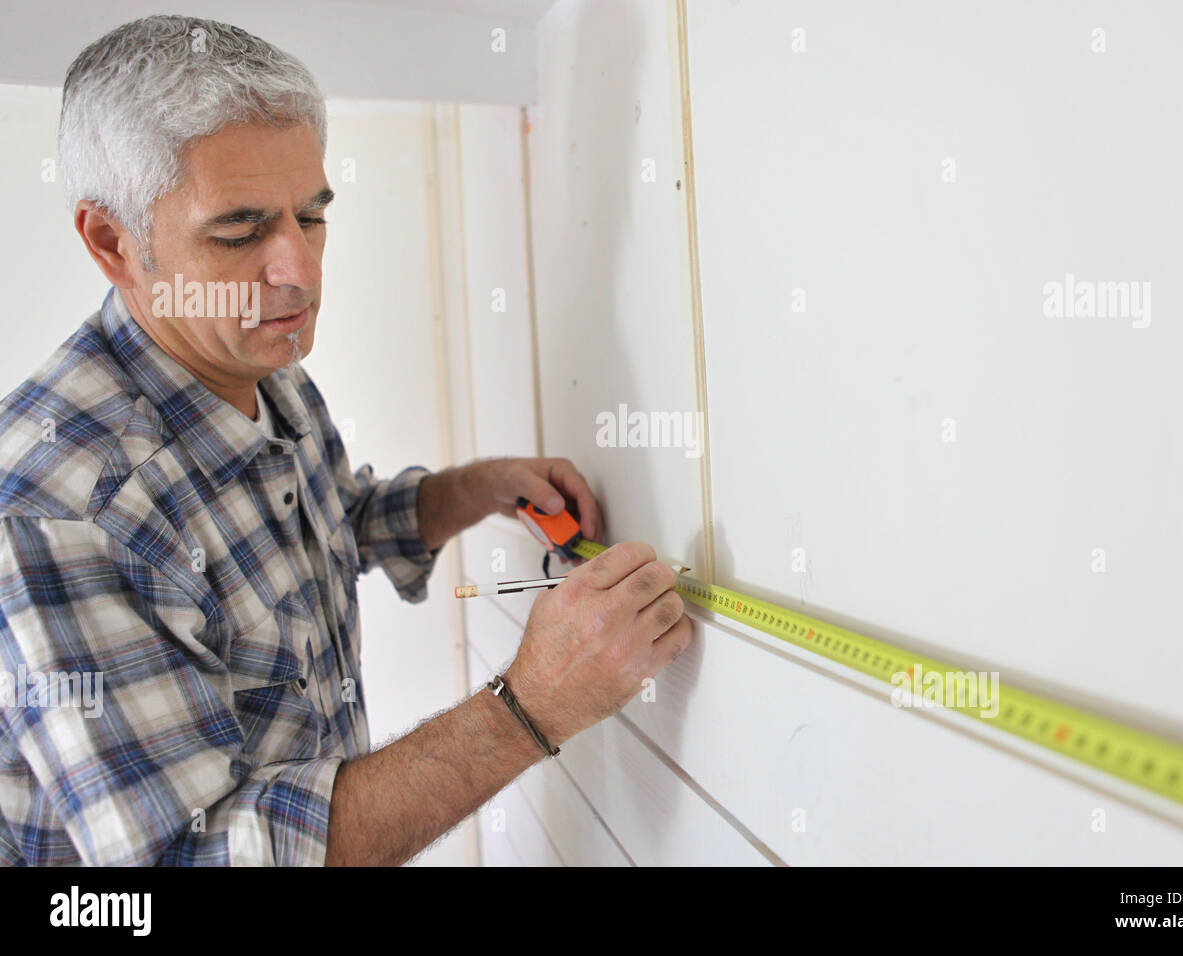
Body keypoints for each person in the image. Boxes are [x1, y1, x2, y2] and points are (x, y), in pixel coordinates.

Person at [0, 14, 692, 866]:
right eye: (241, 232)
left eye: (312, 216)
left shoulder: (254, 356)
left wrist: (474, 488)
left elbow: (328, 518)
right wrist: (533, 705)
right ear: (113, 243)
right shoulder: (59, 513)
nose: (300, 270)